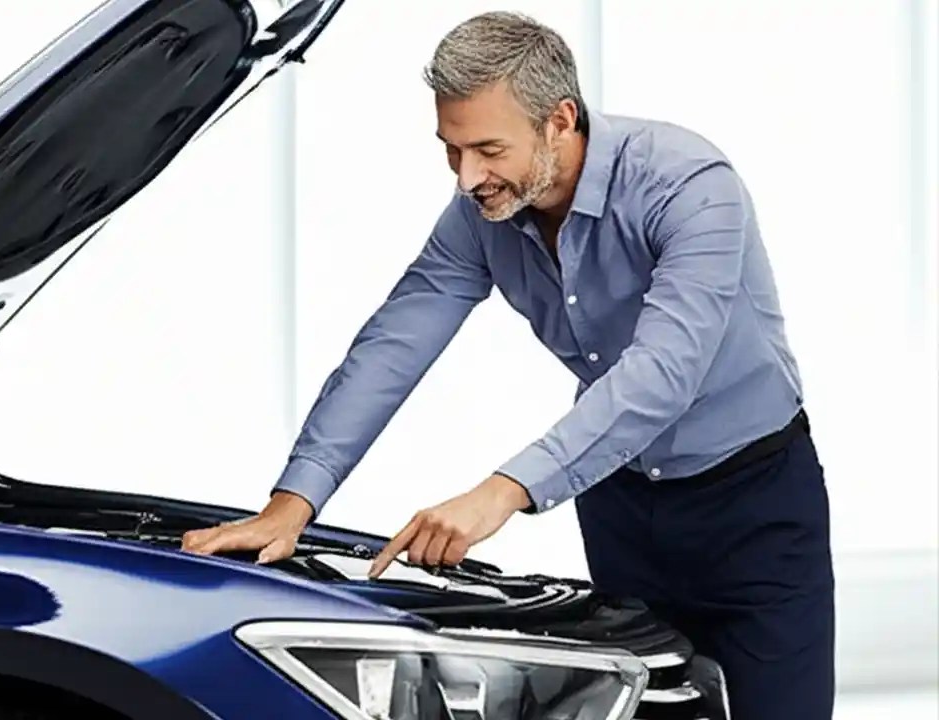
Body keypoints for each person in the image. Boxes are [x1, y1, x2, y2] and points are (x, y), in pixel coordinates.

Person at [182, 10, 834, 719]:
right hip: (619, 505)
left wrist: (503, 491)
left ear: (559, 120)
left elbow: (664, 372)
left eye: (488, 149)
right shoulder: (481, 212)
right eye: (451, 150)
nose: (467, 179)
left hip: (755, 506)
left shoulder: (689, 186)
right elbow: (394, 343)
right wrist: (294, 502)